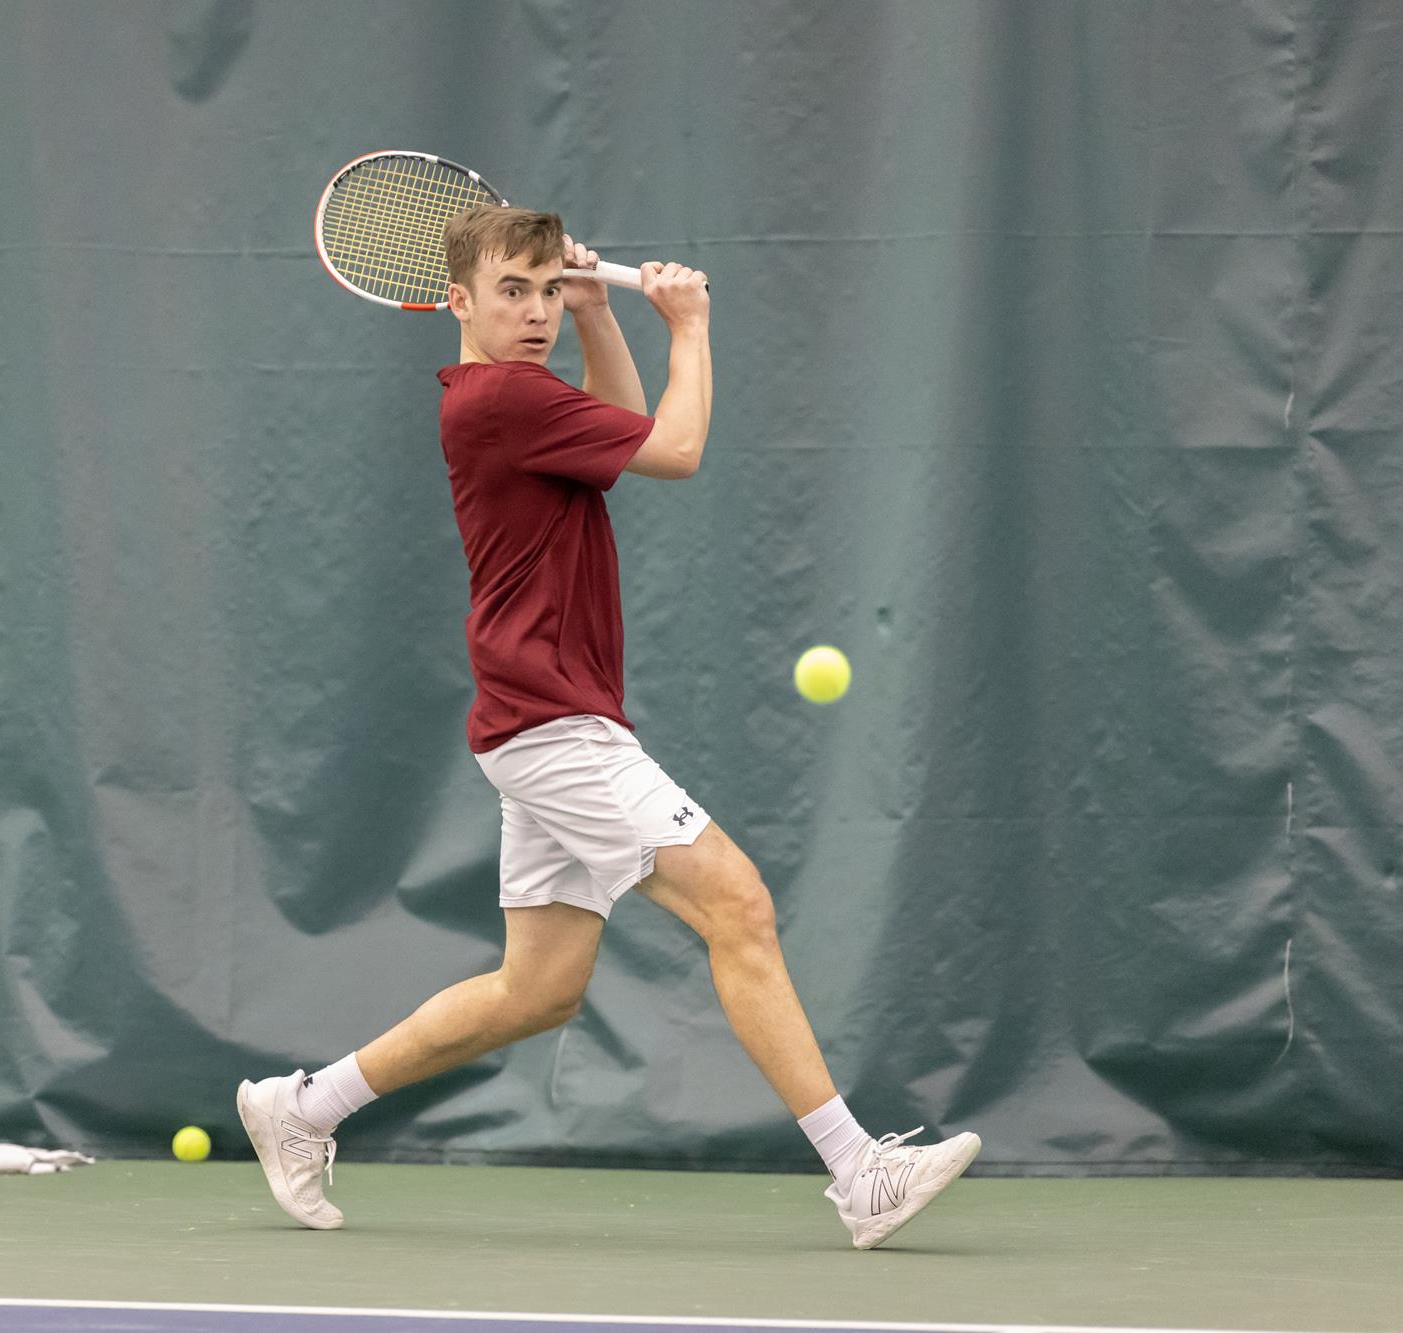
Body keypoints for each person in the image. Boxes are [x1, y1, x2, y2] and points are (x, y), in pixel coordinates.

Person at [238, 206, 979, 1250]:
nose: (534, 311)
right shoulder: (497, 399)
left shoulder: (518, 396)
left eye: (547, 290)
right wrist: (688, 325)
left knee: (533, 990)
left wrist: (599, 317)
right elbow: (674, 450)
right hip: (552, 723)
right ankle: (858, 1170)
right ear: (455, 301)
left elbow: (622, 434)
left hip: (538, 718)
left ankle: (302, 1108)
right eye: (513, 291)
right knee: (739, 906)